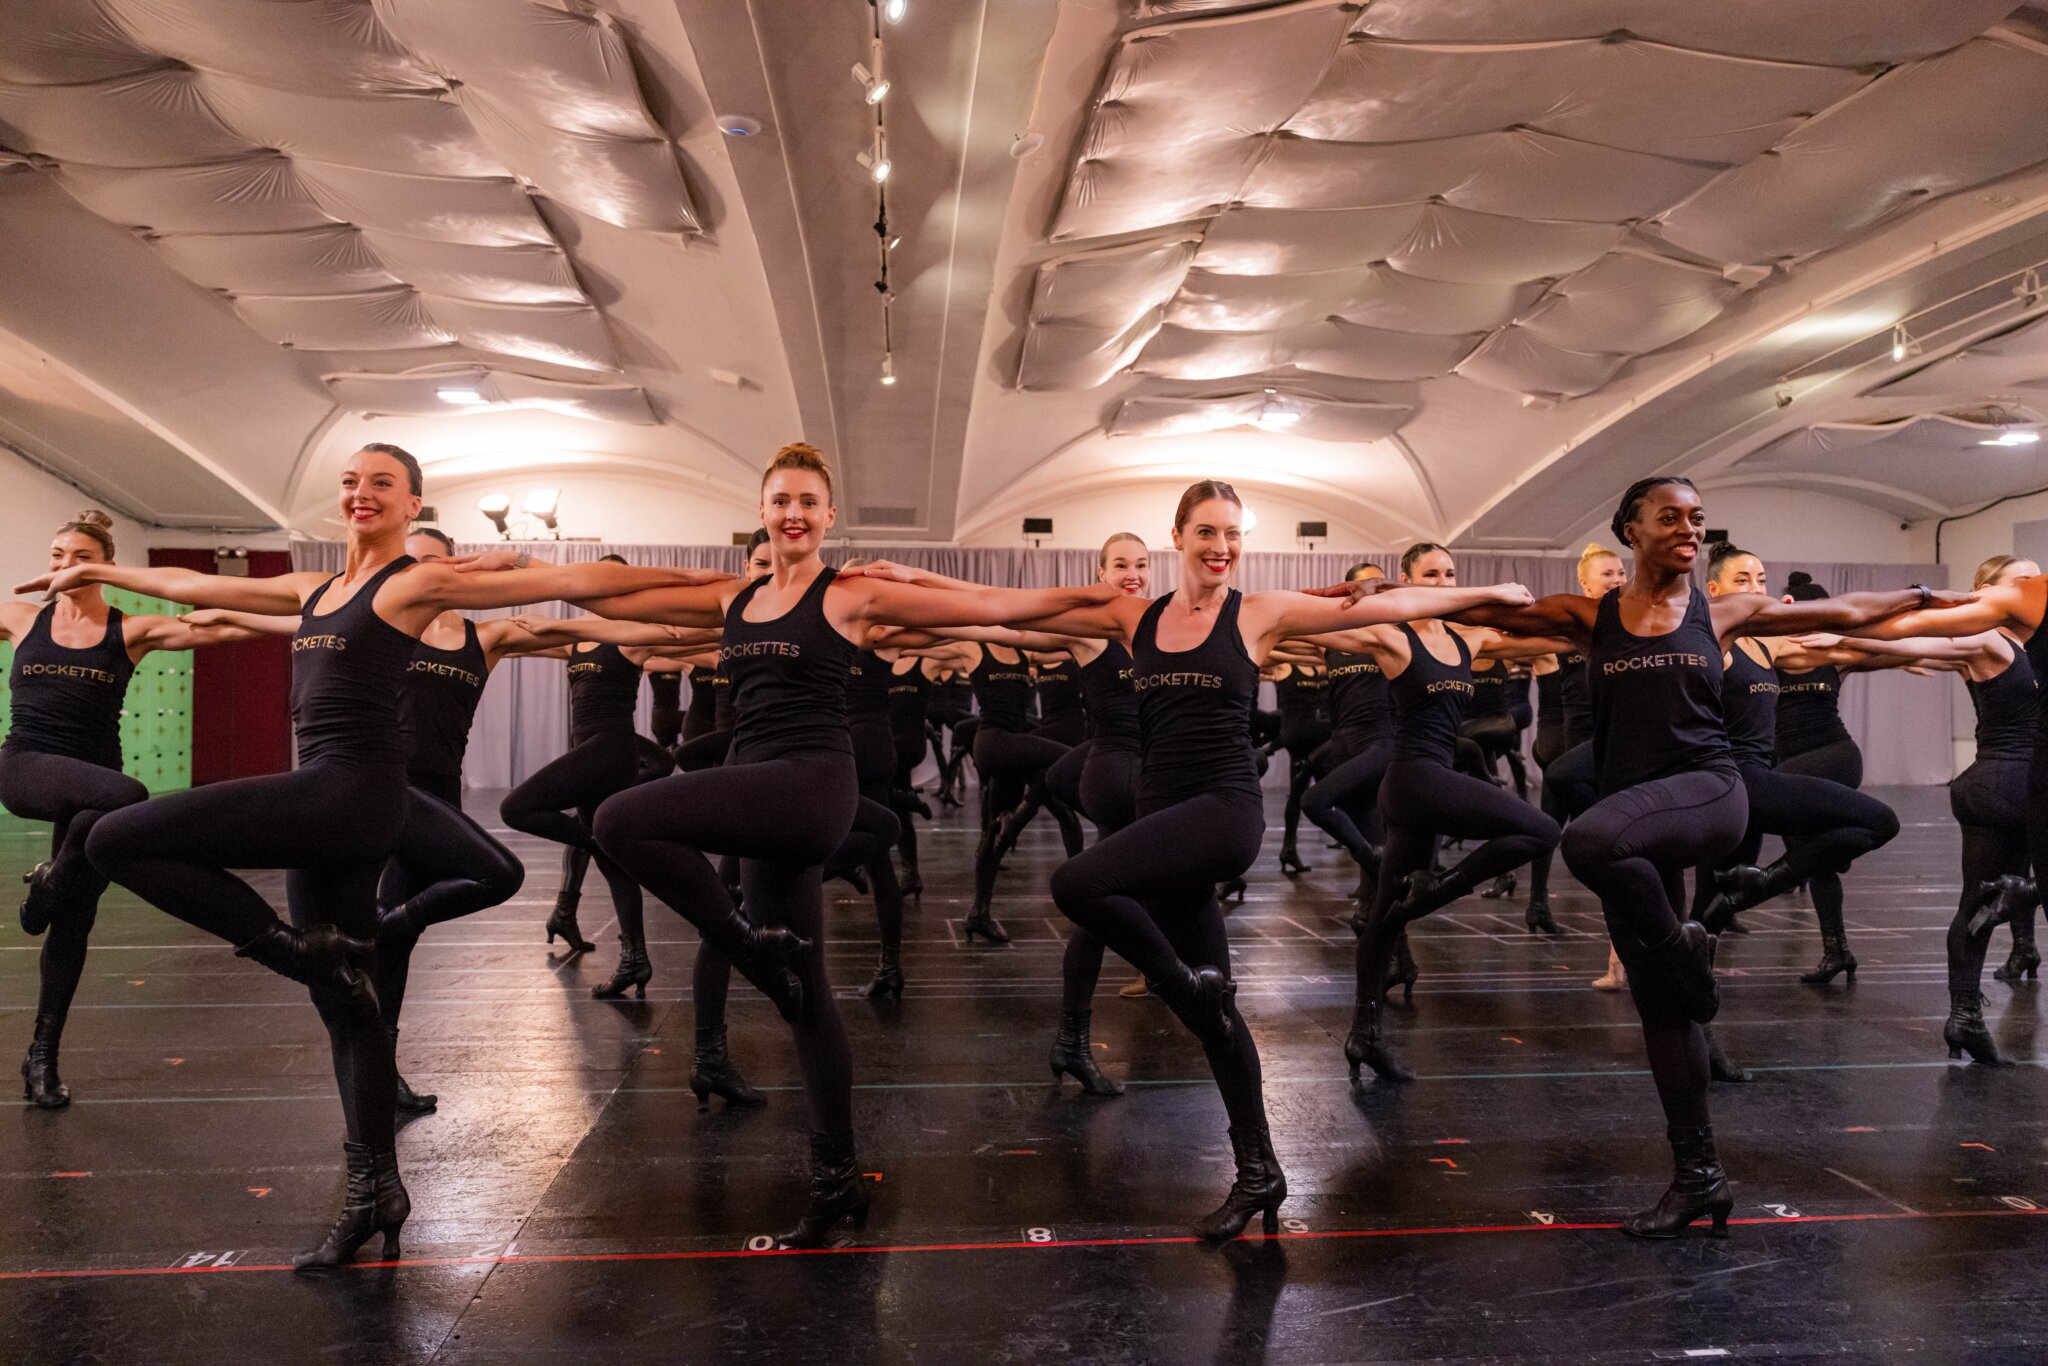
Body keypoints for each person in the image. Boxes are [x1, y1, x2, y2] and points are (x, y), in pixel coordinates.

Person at [17, 444, 705, 1269]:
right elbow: (198, 587)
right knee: (353, 1009)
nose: (360, 493)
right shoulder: (315, 589)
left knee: (116, 834)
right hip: (331, 813)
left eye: (381, 483)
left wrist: (731, 593)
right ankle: (374, 1191)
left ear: (412, 504)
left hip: (350, 794)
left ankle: (292, 952)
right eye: (350, 481)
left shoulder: (411, 583)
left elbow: (582, 588)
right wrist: (98, 572)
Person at [551, 443, 1116, 1248]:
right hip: (760, 790)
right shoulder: (735, 598)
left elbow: (994, 610)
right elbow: (608, 590)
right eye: (780, 499)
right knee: (806, 997)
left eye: (808, 502)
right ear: (761, 510)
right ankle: (837, 1180)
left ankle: (744, 939)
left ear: (828, 516)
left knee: (618, 820)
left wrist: (1102, 599)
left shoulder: (847, 593)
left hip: (811, 785)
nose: (793, 514)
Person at [1433, 475, 1966, 1238]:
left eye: (1697, 519)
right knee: (1663, 1008)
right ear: (1630, 529)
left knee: (1581, 838)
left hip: (1708, 793)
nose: (1689, 529)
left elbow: (1843, 612)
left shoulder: (1722, 612)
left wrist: (1921, 595)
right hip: (1634, 814)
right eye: (1670, 517)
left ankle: (1685, 948)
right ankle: (1700, 1176)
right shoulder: (1594, 617)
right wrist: (1379, 595)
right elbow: (1479, 609)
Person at [1009, 480, 1533, 1239]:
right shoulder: (1138, 617)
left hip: (1223, 814)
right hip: (1164, 814)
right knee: (1219, 1023)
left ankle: (1186, 986)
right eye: (1207, 532)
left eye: (1232, 533)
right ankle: (1261, 1172)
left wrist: (1485, 590)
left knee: (1077, 882)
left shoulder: (1257, 612)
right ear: (1178, 536)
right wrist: (918, 583)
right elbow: (1008, 607)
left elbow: (1381, 607)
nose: (1221, 546)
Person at [0, 510, 247, 1107]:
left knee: (73, 918)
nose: (63, 565)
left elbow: (220, 626)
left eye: (78, 556)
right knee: (129, 797)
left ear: (104, 567)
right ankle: (52, 879)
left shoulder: (130, 629)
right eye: (57, 554)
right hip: (28, 764)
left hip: (92, 788)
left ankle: (41, 1057)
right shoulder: (19, 618)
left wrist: (315, 620)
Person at [1313, 543, 1569, 1084]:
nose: (1444, 580)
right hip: (1413, 779)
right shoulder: (1390, 636)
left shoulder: (1469, 638)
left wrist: (1605, 624)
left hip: (1422, 788)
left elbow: (1548, 635)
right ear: (1406, 580)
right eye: (1431, 573)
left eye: (1451, 573)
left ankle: (1363, 1035)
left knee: (1382, 916)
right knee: (1542, 829)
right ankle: (1432, 892)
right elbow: (1310, 625)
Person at [1689, 544, 1902, 989]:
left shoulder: (1766, 645)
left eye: (1762, 580)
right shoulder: (1709, 639)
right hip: (1733, 781)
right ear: (1713, 591)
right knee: (1880, 821)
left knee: (1711, 905)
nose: (1756, 588)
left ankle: (1684, 989)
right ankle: (1760, 886)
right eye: (1742, 580)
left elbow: (1853, 637)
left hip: (1751, 782)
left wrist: (1947, 630)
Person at [1525, 544, 1627, 945]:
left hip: (1595, 742)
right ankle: (1540, 901)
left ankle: (1537, 903)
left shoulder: (1629, 624)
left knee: (1556, 826)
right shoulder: (1567, 628)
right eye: (1607, 574)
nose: (1617, 580)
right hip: (1575, 742)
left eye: (1621, 573)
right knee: (1581, 830)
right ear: (1584, 583)